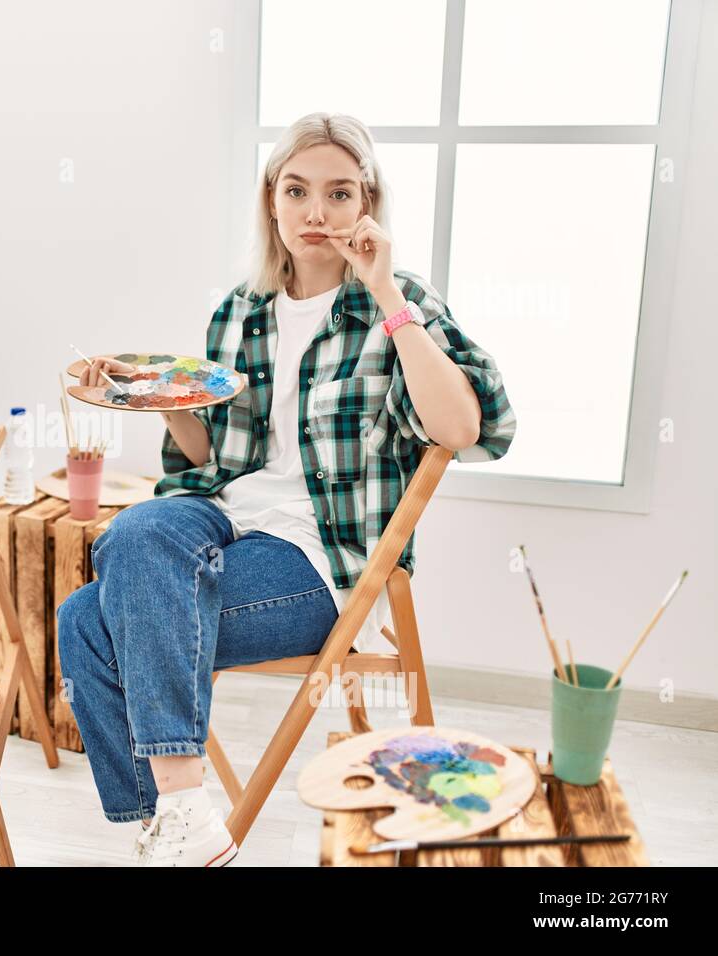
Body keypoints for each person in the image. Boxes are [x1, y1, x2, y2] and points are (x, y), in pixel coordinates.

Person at [56, 112, 517, 866]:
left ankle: (170, 817)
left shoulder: (397, 304)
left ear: (366, 202)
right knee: (137, 532)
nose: (316, 212)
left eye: (339, 194)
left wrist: (388, 296)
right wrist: (163, 405)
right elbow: (210, 458)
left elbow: (465, 428)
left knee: (86, 618)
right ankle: (182, 816)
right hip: (226, 515)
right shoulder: (239, 310)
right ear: (271, 198)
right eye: (297, 191)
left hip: (326, 557)